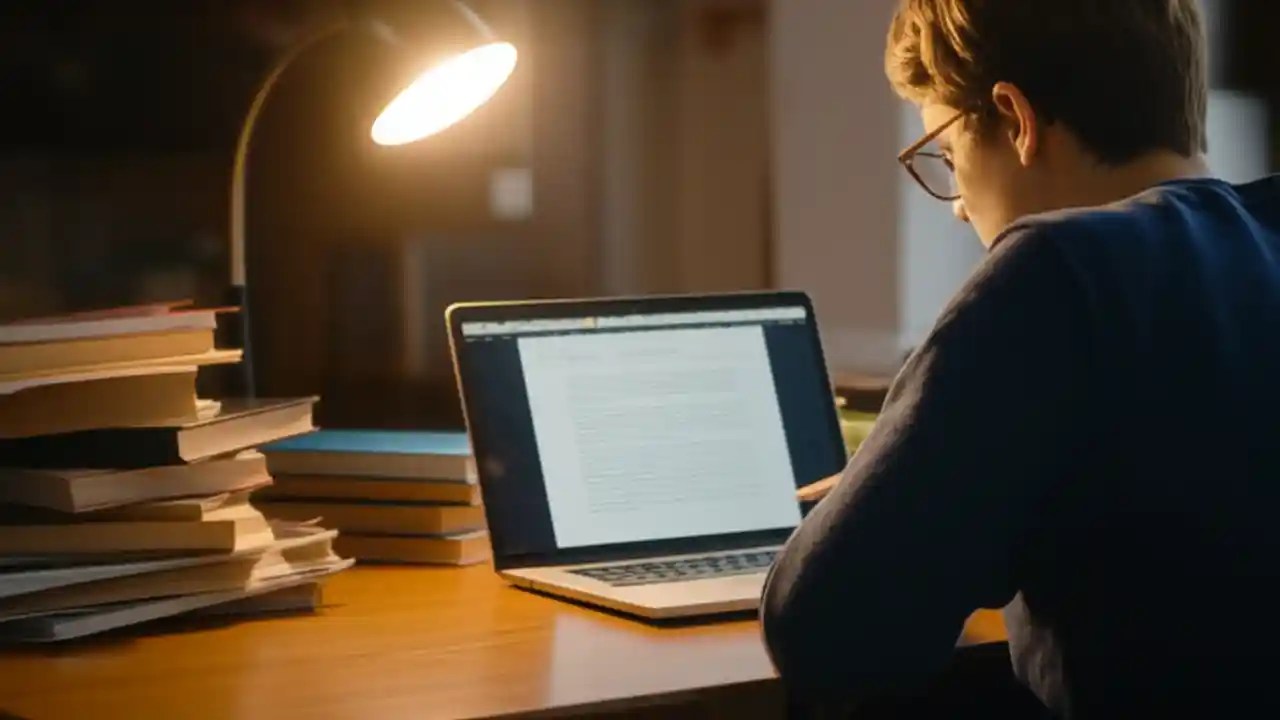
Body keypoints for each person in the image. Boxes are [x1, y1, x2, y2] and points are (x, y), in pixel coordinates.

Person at [760, 1, 1280, 718]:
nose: (957, 207)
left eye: (944, 154)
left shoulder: (1056, 270)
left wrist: (922, 490)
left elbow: (826, 630)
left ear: (1015, 118)